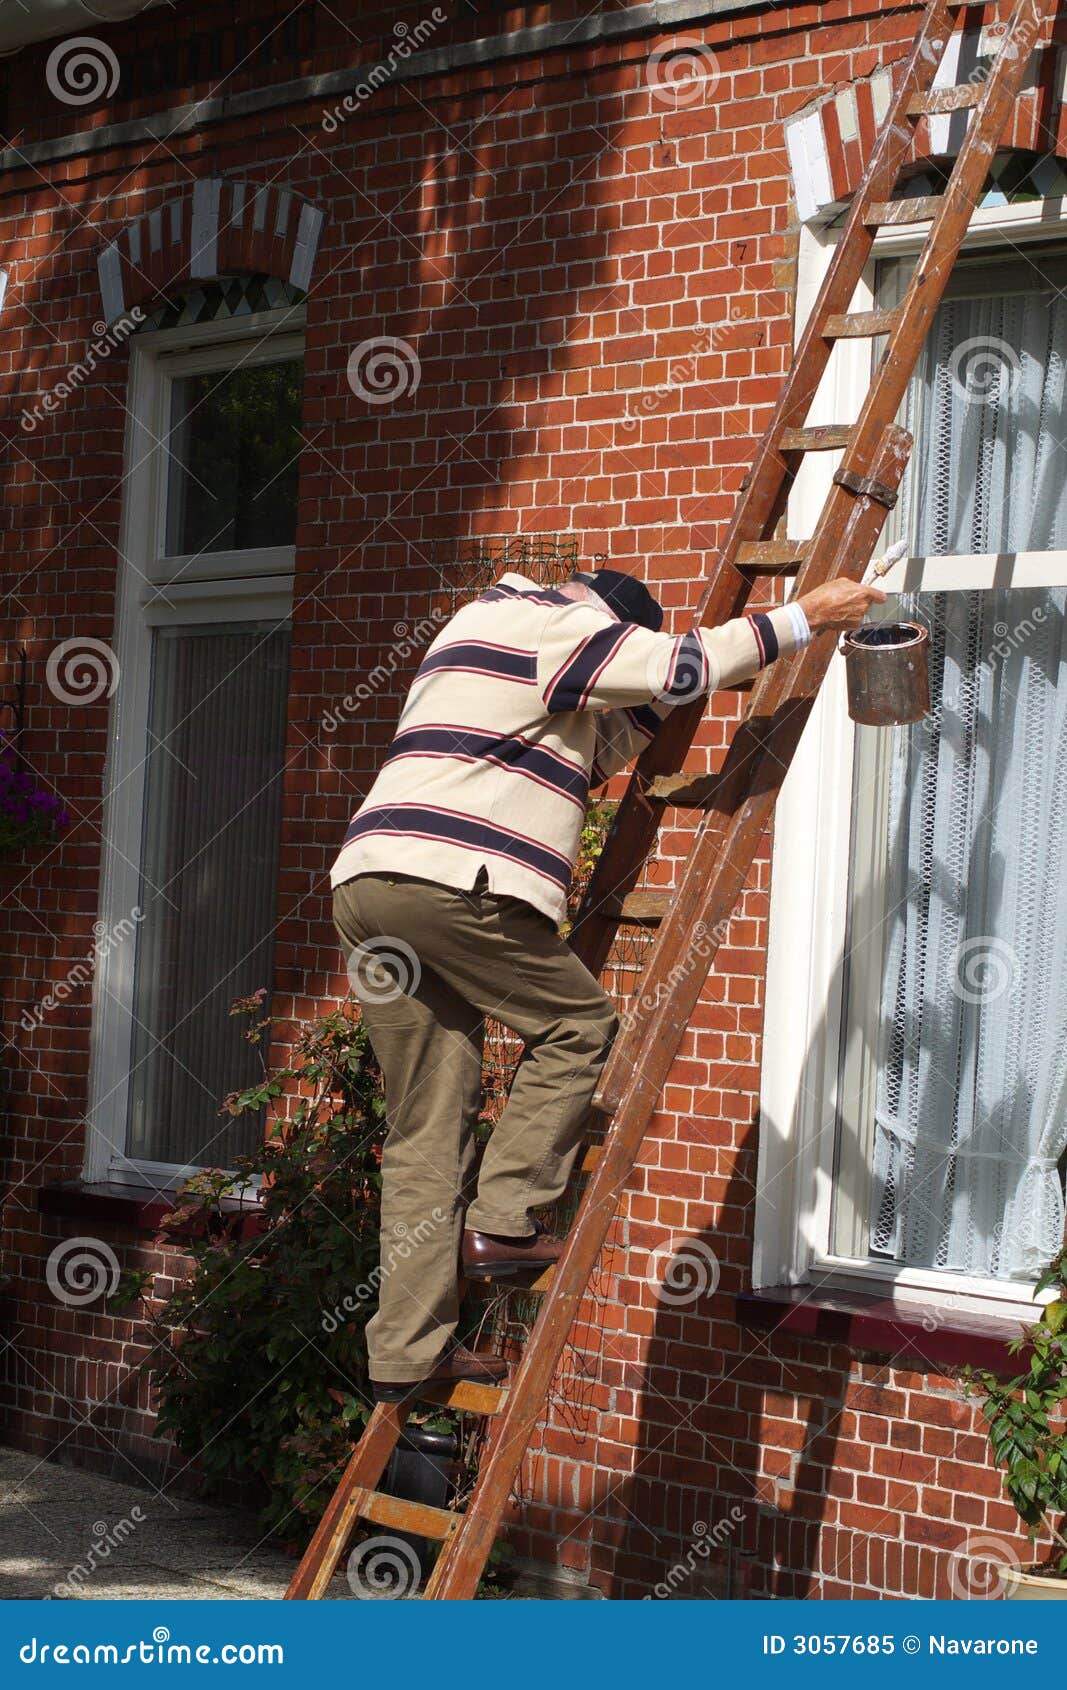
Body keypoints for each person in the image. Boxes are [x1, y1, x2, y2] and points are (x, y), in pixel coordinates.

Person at [330, 564, 885, 1399]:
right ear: (604, 626)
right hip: (452, 883)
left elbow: (587, 753)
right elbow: (679, 668)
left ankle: (406, 1354)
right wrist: (806, 615)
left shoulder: (471, 635)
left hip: (370, 887)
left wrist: (645, 719)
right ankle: (505, 1222)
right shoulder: (556, 626)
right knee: (577, 1026)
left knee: (426, 1127)